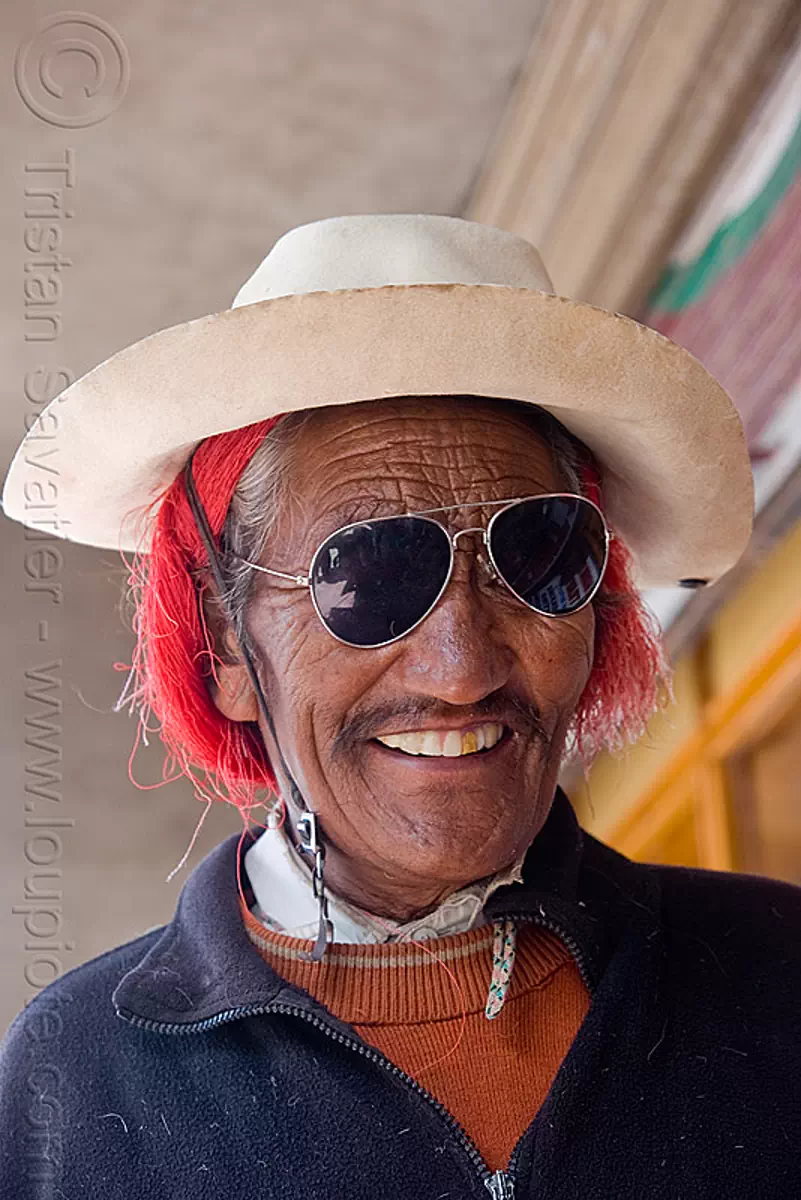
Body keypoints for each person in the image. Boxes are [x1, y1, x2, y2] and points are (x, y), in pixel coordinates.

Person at [1, 214, 798, 1199]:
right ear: (227, 643)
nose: (462, 670)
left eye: (539, 558)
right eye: (368, 575)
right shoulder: (74, 1084)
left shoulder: (776, 973)